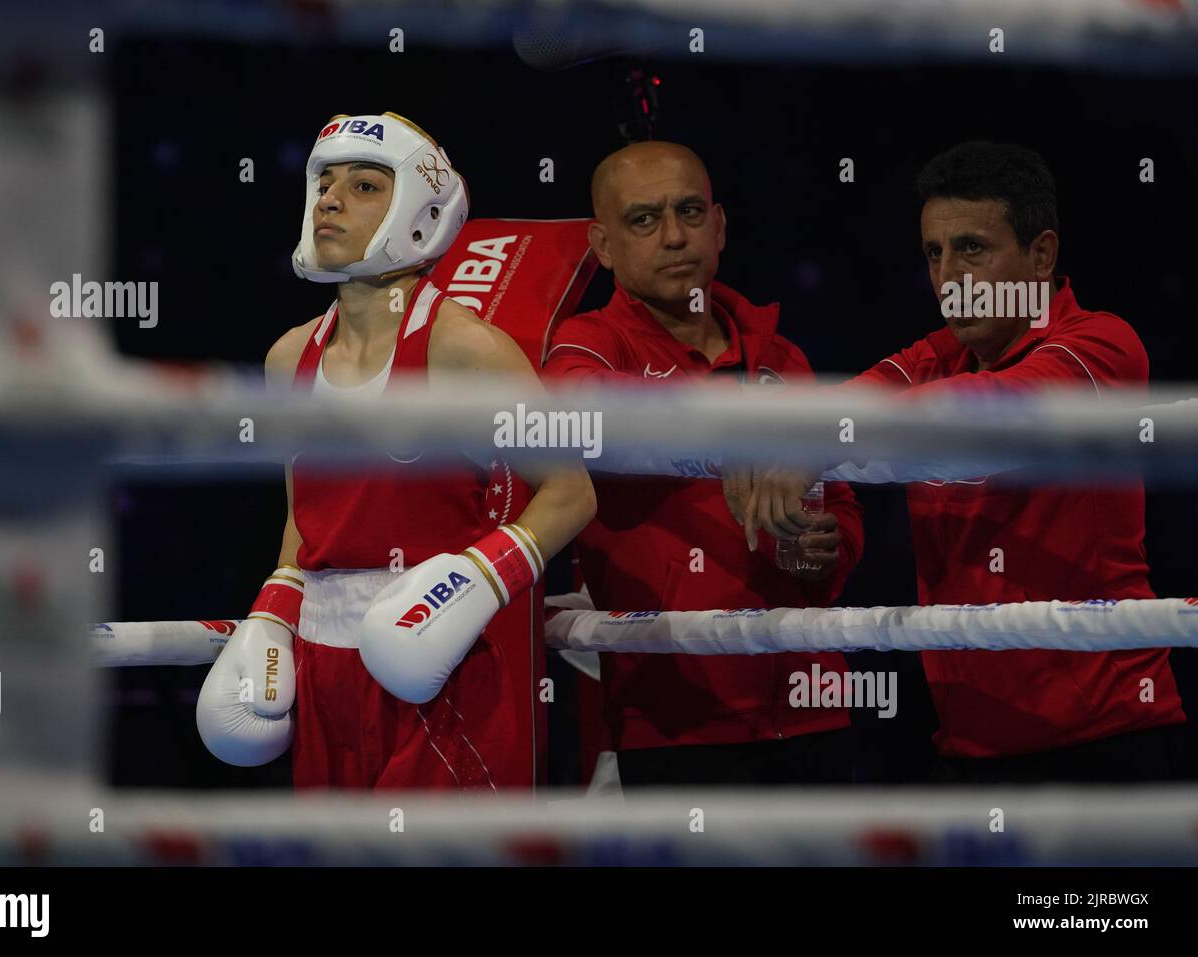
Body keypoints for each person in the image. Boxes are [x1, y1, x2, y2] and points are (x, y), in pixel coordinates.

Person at [727, 141, 1187, 782]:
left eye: (973, 248)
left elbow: (982, 410)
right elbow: (839, 409)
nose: (949, 277)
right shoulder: (934, 358)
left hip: (1106, 741)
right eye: (934, 254)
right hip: (969, 748)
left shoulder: (1099, 346)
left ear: (1042, 254)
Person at [197, 112, 596, 789]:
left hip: (442, 668)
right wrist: (274, 609)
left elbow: (570, 491)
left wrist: (472, 580)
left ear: (418, 211)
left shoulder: (463, 347)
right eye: (325, 181)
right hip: (325, 675)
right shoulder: (287, 357)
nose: (330, 199)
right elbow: (306, 517)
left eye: (365, 185)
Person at [543, 141, 865, 787]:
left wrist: (825, 548)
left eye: (690, 211)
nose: (673, 236)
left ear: (718, 227)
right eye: (644, 219)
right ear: (602, 245)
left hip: (814, 708)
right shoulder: (590, 345)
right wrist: (730, 439)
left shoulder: (781, 356)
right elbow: (582, 404)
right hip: (673, 721)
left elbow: (843, 502)